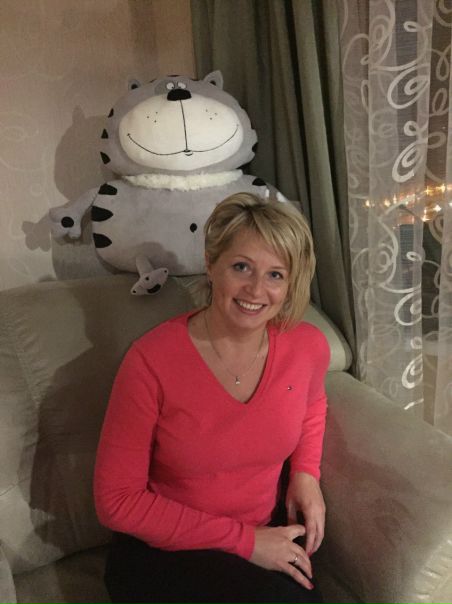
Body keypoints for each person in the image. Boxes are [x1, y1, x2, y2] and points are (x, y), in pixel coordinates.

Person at [94, 192, 330, 604]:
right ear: (211, 264)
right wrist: (245, 541)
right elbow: (116, 502)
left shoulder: (307, 346)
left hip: (264, 532)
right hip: (165, 548)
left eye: (276, 274)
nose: (256, 289)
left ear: (291, 283)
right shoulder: (150, 361)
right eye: (242, 267)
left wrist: (305, 474)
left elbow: (312, 406)